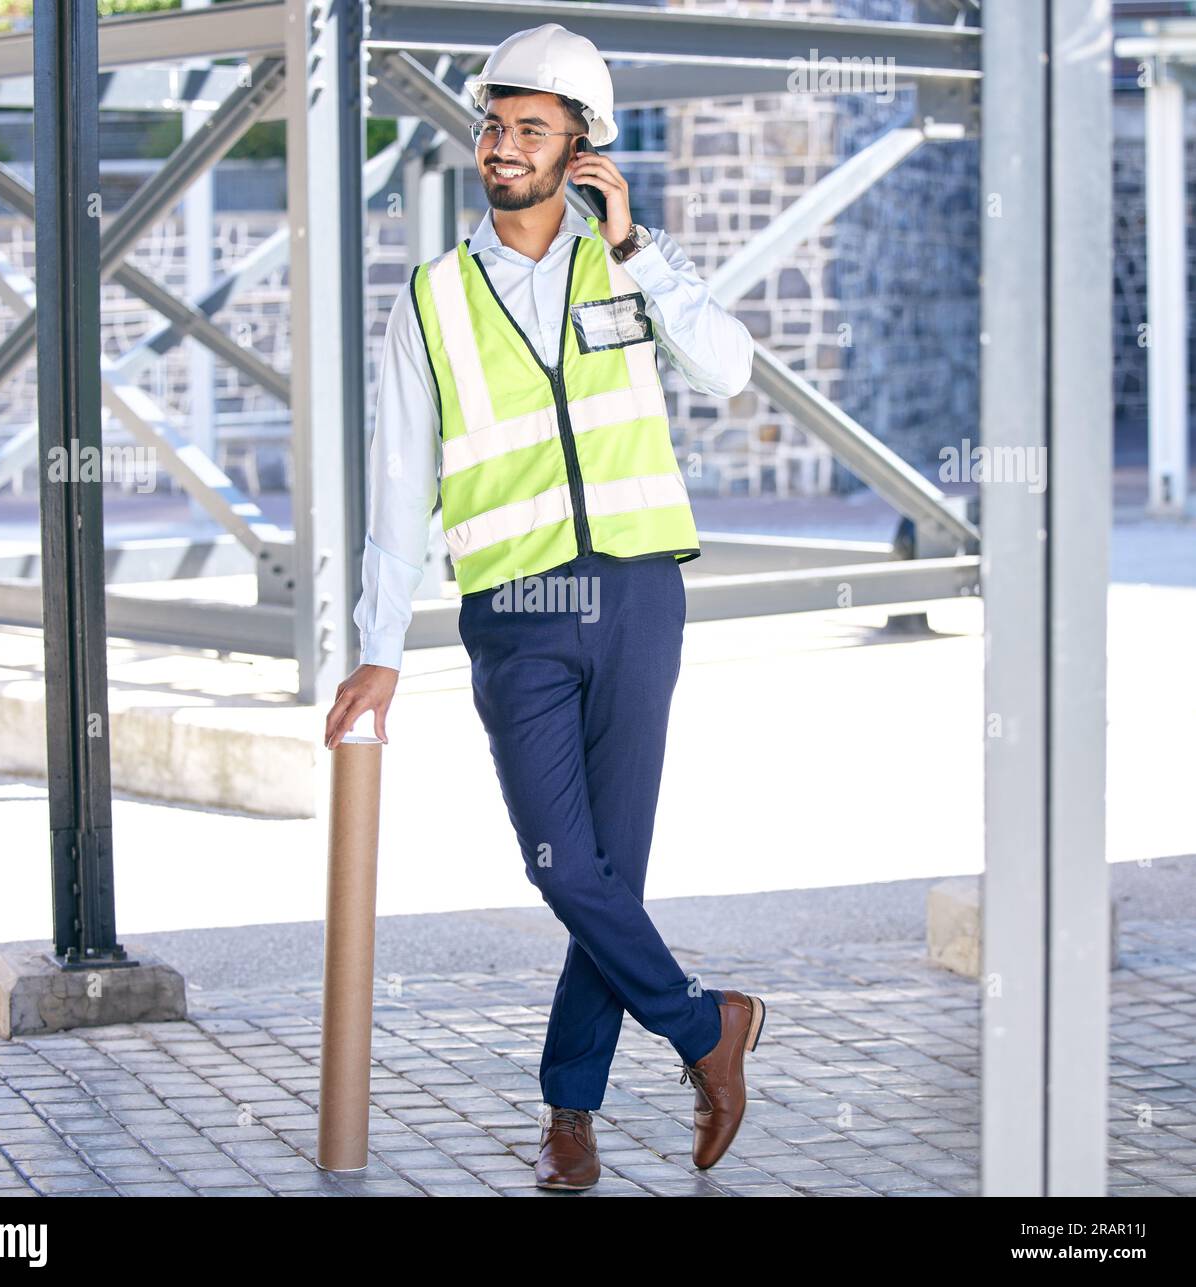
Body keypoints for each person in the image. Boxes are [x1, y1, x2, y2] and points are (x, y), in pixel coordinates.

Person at [323, 22, 767, 1190]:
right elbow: (397, 488)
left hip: (635, 595)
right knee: (562, 863)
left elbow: (730, 370)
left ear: (581, 150)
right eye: (494, 124)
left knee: (612, 872)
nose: (504, 144)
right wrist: (377, 652)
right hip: (514, 613)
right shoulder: (429, 298)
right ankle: (701, 1026)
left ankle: (570, 1109)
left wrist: (639, 252)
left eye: (532, 128)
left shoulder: (624, 265)